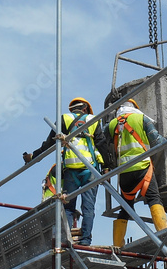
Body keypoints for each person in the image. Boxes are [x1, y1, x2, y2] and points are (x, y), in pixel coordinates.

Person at [23, 97, 110, 246]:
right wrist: (107, 167)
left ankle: (66, 239)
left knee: (68, 207)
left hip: (71, 170)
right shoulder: (93, 120)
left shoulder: (64, 119)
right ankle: (85, 240)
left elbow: (48, 144)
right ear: (85, 109)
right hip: (90, 169)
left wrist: (33, 156)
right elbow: (102, 144)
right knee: (88, 208)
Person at [108, 98, 167, 246]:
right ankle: (164, 233)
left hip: (124, 172)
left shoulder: (111, 124)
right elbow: (156, 141)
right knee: (154, 198)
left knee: (126, 207)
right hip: (142, 167)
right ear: (135, 107)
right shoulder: (141, 118)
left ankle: (117, 244)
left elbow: (104, 146)